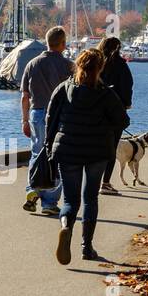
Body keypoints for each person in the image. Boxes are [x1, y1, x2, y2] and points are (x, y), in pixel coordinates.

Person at [45, 48, 130, 264]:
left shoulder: (64, 89)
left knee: (70, 200)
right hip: (97, 150)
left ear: (78, 65)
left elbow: (50, 118)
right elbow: (123, 120)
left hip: (67, 149)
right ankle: (86, 247)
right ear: (100, 68)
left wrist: (49, 146)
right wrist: (105, 125)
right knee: (90, 198)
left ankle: (65, 226)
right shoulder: (106, 93)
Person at [20, 26, 74, 216]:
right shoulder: (69, 66)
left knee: (36, 153)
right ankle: (49, 202)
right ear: (63, 44)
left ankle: (32, 189)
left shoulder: (32, 64)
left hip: (36, 113)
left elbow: (25, 96)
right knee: (56, 157)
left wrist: (24, 120)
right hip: (58, 115)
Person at [96, 36, 134, 194]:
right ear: (118, 48)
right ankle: (105, 182)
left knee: (96, 146)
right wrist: (126, 103)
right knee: (111, 148)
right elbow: (127, 85)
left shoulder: (96, 63)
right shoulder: (121, 65)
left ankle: (92, 179)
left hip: (96, 111)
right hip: (116, 111)